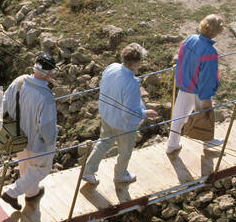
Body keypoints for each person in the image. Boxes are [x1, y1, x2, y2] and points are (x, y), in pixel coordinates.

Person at [82, 42, 161, 181]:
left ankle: (87, 171)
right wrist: (146, 113)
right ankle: (120, 175)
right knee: (125, 151)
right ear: (136, 63)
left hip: (107, 115)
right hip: (122, 124)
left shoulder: (112, 67)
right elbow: (128, 113)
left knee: (104, 142)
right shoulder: (131, 84)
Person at [0, 54, 58, 210]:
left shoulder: (18, 81)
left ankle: (32, 194)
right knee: (41, 168)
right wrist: (51, 143)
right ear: (48, 73)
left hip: (17, 137)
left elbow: (4, 105)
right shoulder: (46, 96)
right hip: (35, 142)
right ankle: (12, 192)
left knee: (25, 167)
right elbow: (47, 128)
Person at [164, 19, 222, 156]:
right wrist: (206, 98)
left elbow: (181, 59)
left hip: (185, 84)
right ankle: (208, 141)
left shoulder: (189, 39)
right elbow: (207, 78)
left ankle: (172, 144)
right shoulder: (210, 51)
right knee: (205, 116)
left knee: (178, 115)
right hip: (199, 90)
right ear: (216, 33)